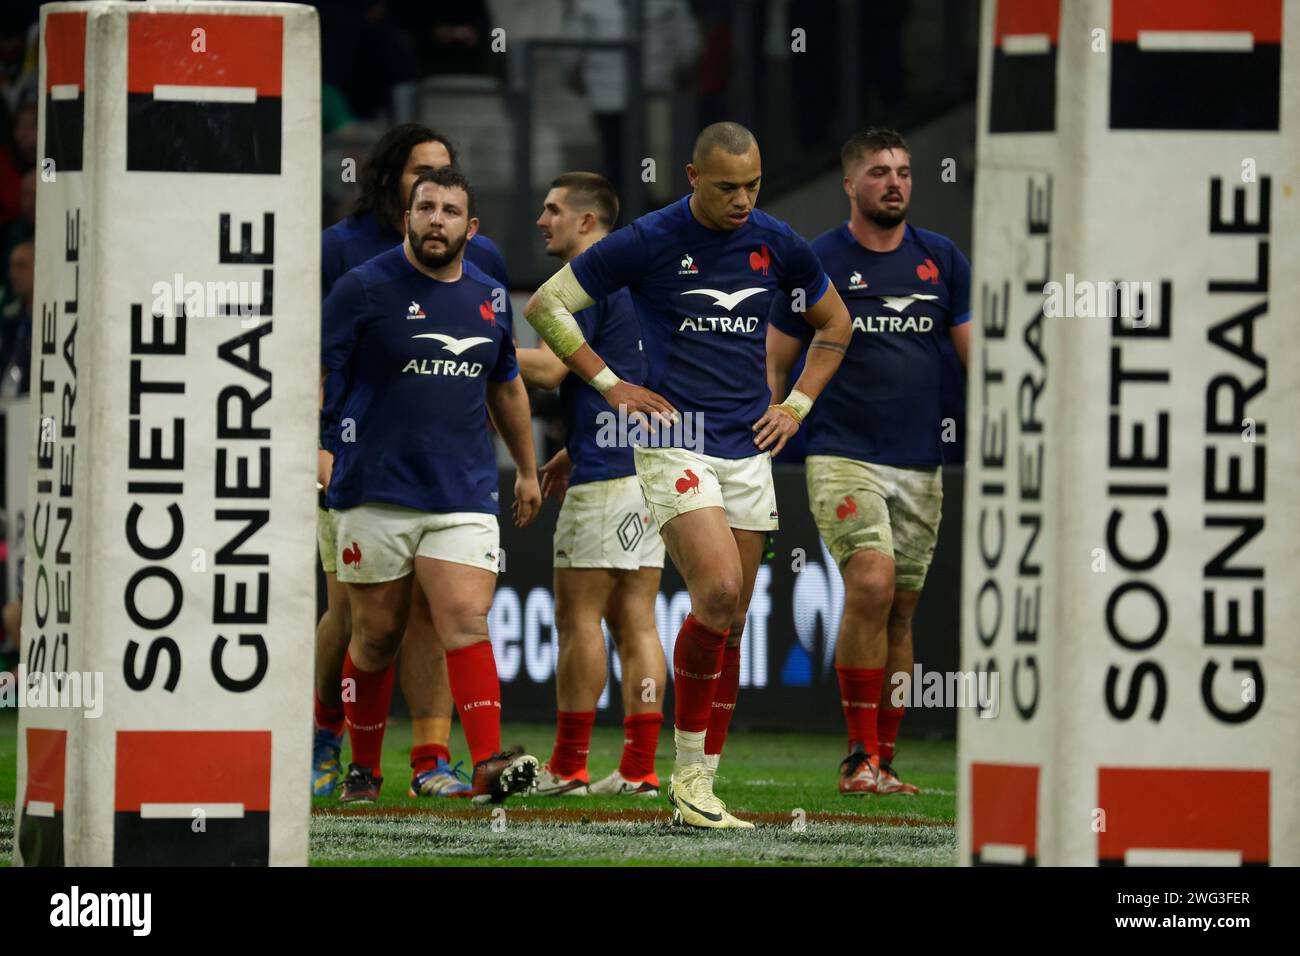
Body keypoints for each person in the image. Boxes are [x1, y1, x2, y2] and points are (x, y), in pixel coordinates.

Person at [524, 122, 851, 828]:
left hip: (748, 448)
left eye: (753, 185)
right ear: (692, 177)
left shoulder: (777, 240)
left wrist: (796, 404)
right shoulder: (649, 239)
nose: (743, 200)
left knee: (728, 624)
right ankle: (671, 777)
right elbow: (545, 306)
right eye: (728, 186)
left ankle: (698, 786)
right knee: (721, 589)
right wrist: (611, 385)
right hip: (677, 442)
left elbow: (836, 325)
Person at [321, 165, 540, 804]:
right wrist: (319, 449)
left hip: (463, 492)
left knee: (465, 622)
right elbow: (316, 371)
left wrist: (525, 469)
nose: (435, 219)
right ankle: (362, 768)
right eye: (425, 207)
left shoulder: (492, 298)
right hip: (373, 488)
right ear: (407, 217)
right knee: (376, 634)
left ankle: (489, 763)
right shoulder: (362, 288)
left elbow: (506, 385)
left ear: (470, 227)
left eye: (449, 210)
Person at [767, 128, 970, 796]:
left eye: (906, 172)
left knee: (902, 614)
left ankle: (883, 759)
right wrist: (768, 427)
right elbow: (776, 353)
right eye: (880, 172)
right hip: (842, 455)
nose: (896, 183)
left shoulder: (941, 260)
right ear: (850, 184)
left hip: (921, 464)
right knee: (873, 584)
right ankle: (857, 755)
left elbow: (978, 358)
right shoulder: (817, 260)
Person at [516, 173, 667, 797]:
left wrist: (482, 349)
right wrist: (575, 450)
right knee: (638, 621)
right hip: (650, 470)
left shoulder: (585, 277)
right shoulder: (636, 280)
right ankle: (637, 771)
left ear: (587, 221)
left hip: (606, 485)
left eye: (552, 210)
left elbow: (551, 369)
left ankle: (570, 766)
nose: (541, 220)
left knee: (578, 617)